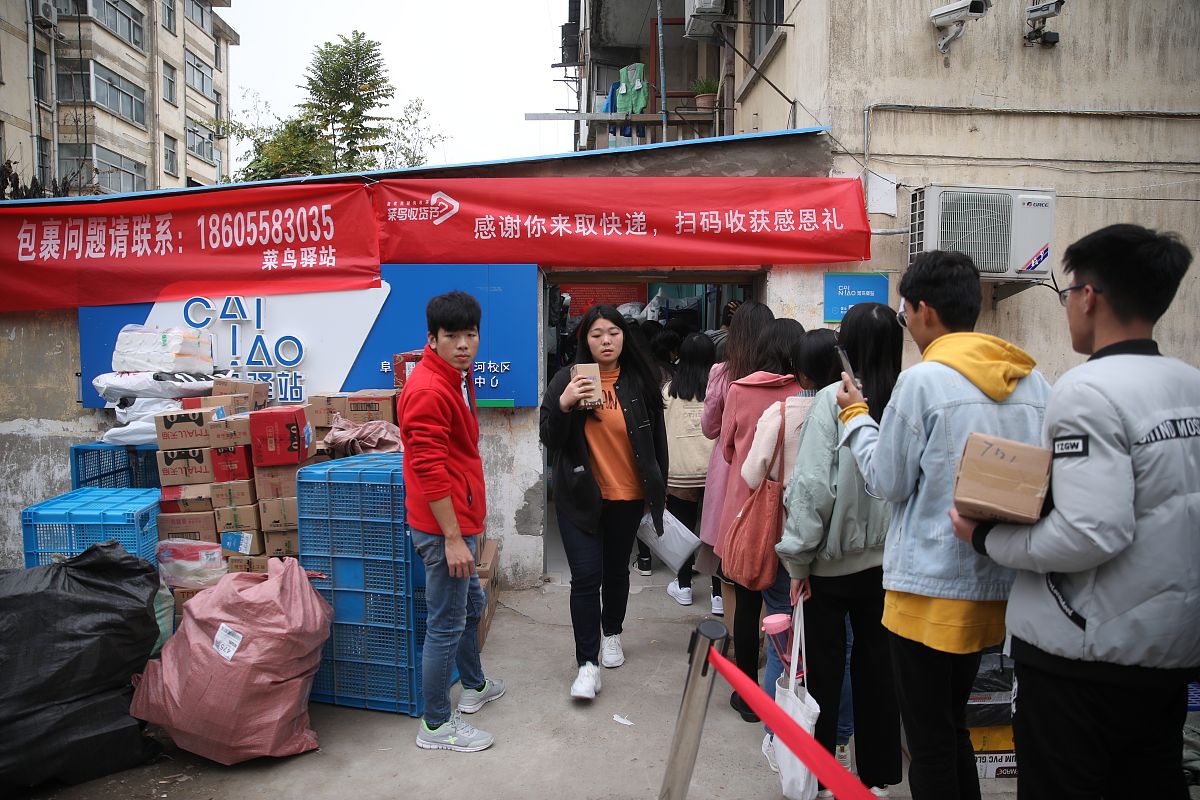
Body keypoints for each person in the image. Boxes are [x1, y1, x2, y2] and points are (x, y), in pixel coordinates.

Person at [949, 225, 1199, 800]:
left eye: (1069, 295)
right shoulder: (1191, 385)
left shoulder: (1088, 391)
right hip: (1168, 648)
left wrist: (984, 538)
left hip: (1082, 656)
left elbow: (1091, 531)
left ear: (1090, 296)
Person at [836, 251, 1050, 800]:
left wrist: (856, 417)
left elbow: (887, 480)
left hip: (926, 593)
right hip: (1000, 584)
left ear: (924, 310)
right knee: (954, 729)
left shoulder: (924, 382)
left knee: (929, 743)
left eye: (905, 311)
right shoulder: (1032, 382)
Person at [776, 304, 904, 795]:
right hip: (892, 566)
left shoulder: (833, 399)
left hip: (829, 566)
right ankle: (878, 780)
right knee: (880, 672)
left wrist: (797, 560)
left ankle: (824, 778)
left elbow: (811, 488)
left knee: (824, 674)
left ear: (843, 350)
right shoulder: (908, 395)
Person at [539, 304, 669, 700]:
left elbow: (656, 444)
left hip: (627, 498)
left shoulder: (640, 382)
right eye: (596, 334)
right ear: (585, 340)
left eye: (613, 332)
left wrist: (655, 493)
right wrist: (564, 405)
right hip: (579, 498)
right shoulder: (567, 378)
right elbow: (550, 438)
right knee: (585, 578)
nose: (606, 340)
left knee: (616, 573)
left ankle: (612, 632)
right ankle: (587, 665)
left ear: (624, 337)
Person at [399, 291, 504, 753]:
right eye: (452, 336)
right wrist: (453, 538)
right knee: (444, 623)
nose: (464, 343)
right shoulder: (427, 388)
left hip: (458, 519)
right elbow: (429, 469)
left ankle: (475, 687)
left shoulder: (456, 376)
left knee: (470, 607)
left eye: (471, 334)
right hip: (445, 529)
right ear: (432, 338)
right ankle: (437, 725)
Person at [740, 327, 836, 771]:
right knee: (839, 646)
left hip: (784, 540)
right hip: (836, 550)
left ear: (796, 369)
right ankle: (839, 739)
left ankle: (778, 736)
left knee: (782, 638)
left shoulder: (781, 412)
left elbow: (750, 475)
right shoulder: (853, 411)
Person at [716, 317, 805, 723]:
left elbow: (730, 448)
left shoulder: (739, 388)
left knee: (748, 601)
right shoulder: (807, 392)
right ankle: (789, 689)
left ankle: (748, 695)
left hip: (748, 508)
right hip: (797, 515)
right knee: (789, 602)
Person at [698, 300, 775, 610]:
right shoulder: (785, 378)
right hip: (771, 471)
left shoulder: (723, 373)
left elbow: (710, 426)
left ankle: (734, 632)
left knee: (731, 554)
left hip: (730, 468)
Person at [662, 333, 723, 608]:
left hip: (680, 473)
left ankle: (684, 585)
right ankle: (718, 593)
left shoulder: (667, 391)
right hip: (714, 474)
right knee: (717, 534)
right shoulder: (721, 387)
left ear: (681, 357)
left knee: (683, 530)